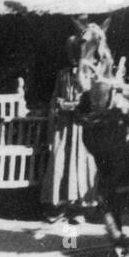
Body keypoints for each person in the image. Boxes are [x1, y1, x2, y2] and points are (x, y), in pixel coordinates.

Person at [42, 36, 97, 222]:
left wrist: (72, 105)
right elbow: (54, 101)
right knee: (60, 162)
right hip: (64, 128)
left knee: (80, 162)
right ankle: (59, 206)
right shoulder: (63, 75)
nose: (74, 58)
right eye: (72, 55)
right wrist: (56, 115)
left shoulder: (89, 75)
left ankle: (79, 208)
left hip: (82, 127)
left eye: (78, 55)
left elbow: (90, 102)